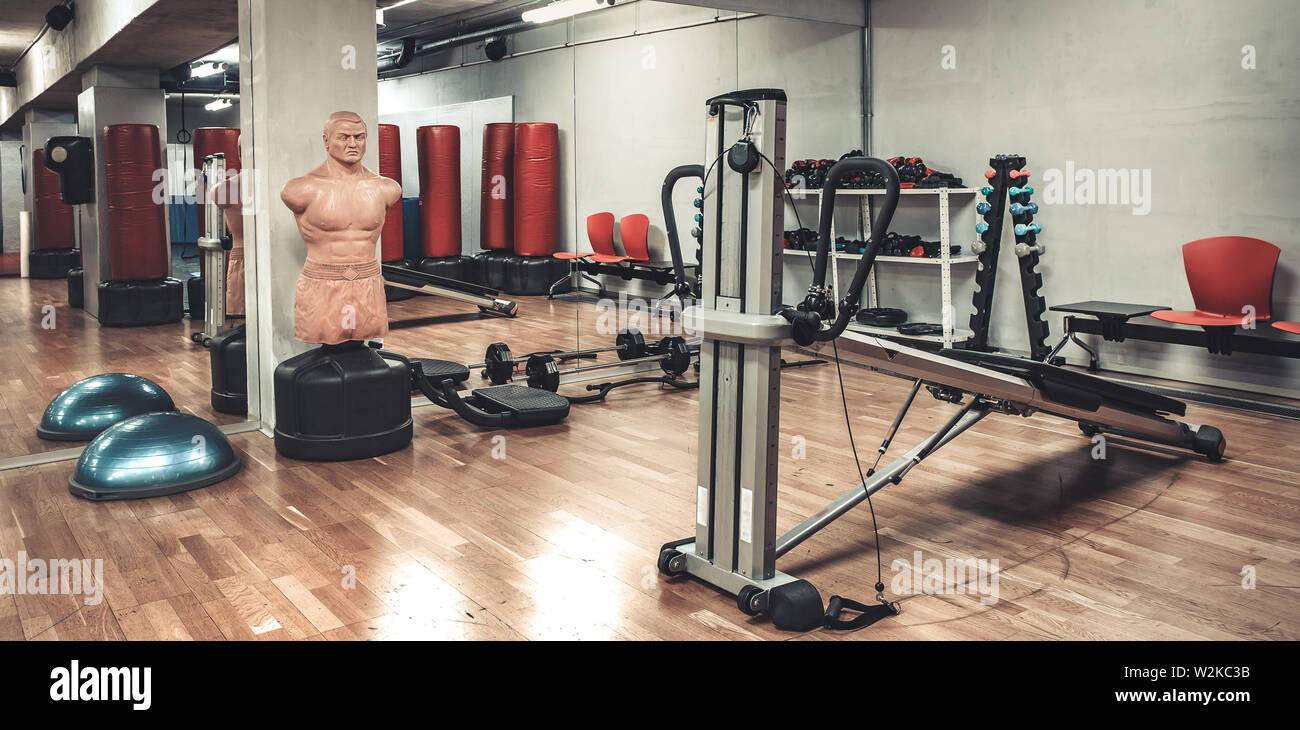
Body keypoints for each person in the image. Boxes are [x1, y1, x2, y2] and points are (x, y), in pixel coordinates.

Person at [280, 111, 402, 344]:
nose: (353, 144)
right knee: (332, 356)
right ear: (326, 140)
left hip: (367, 281)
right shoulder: (300, 189)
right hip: (322, 282)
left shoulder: (385, 188)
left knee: (360, 353)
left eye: (360, 137)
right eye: (344, 137)